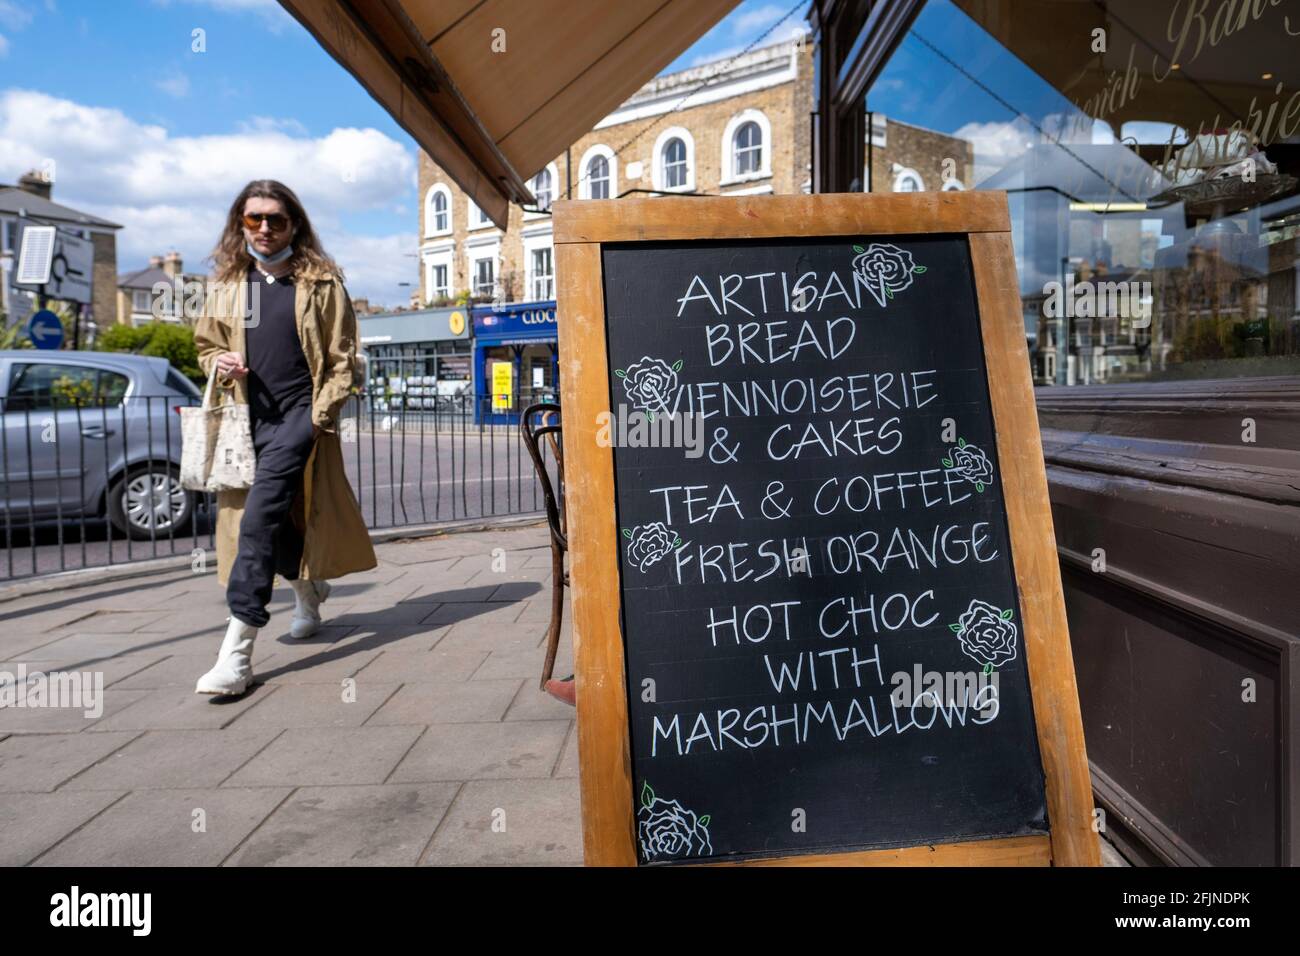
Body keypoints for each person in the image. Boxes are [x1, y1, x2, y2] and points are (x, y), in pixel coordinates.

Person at [193, 179, 376, 697]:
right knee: (280, 518)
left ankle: (236, 653)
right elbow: (206, 347)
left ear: (294, 222)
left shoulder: (321, 282)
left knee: (255, 521)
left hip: (301, 417)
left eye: (276, 218)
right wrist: (220, 362)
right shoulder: (228, 284)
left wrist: (319, 417)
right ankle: (309, 596)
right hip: (245, 421)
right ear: (241, 224)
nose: (266, 228)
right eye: (255, 219)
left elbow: (343, 362)